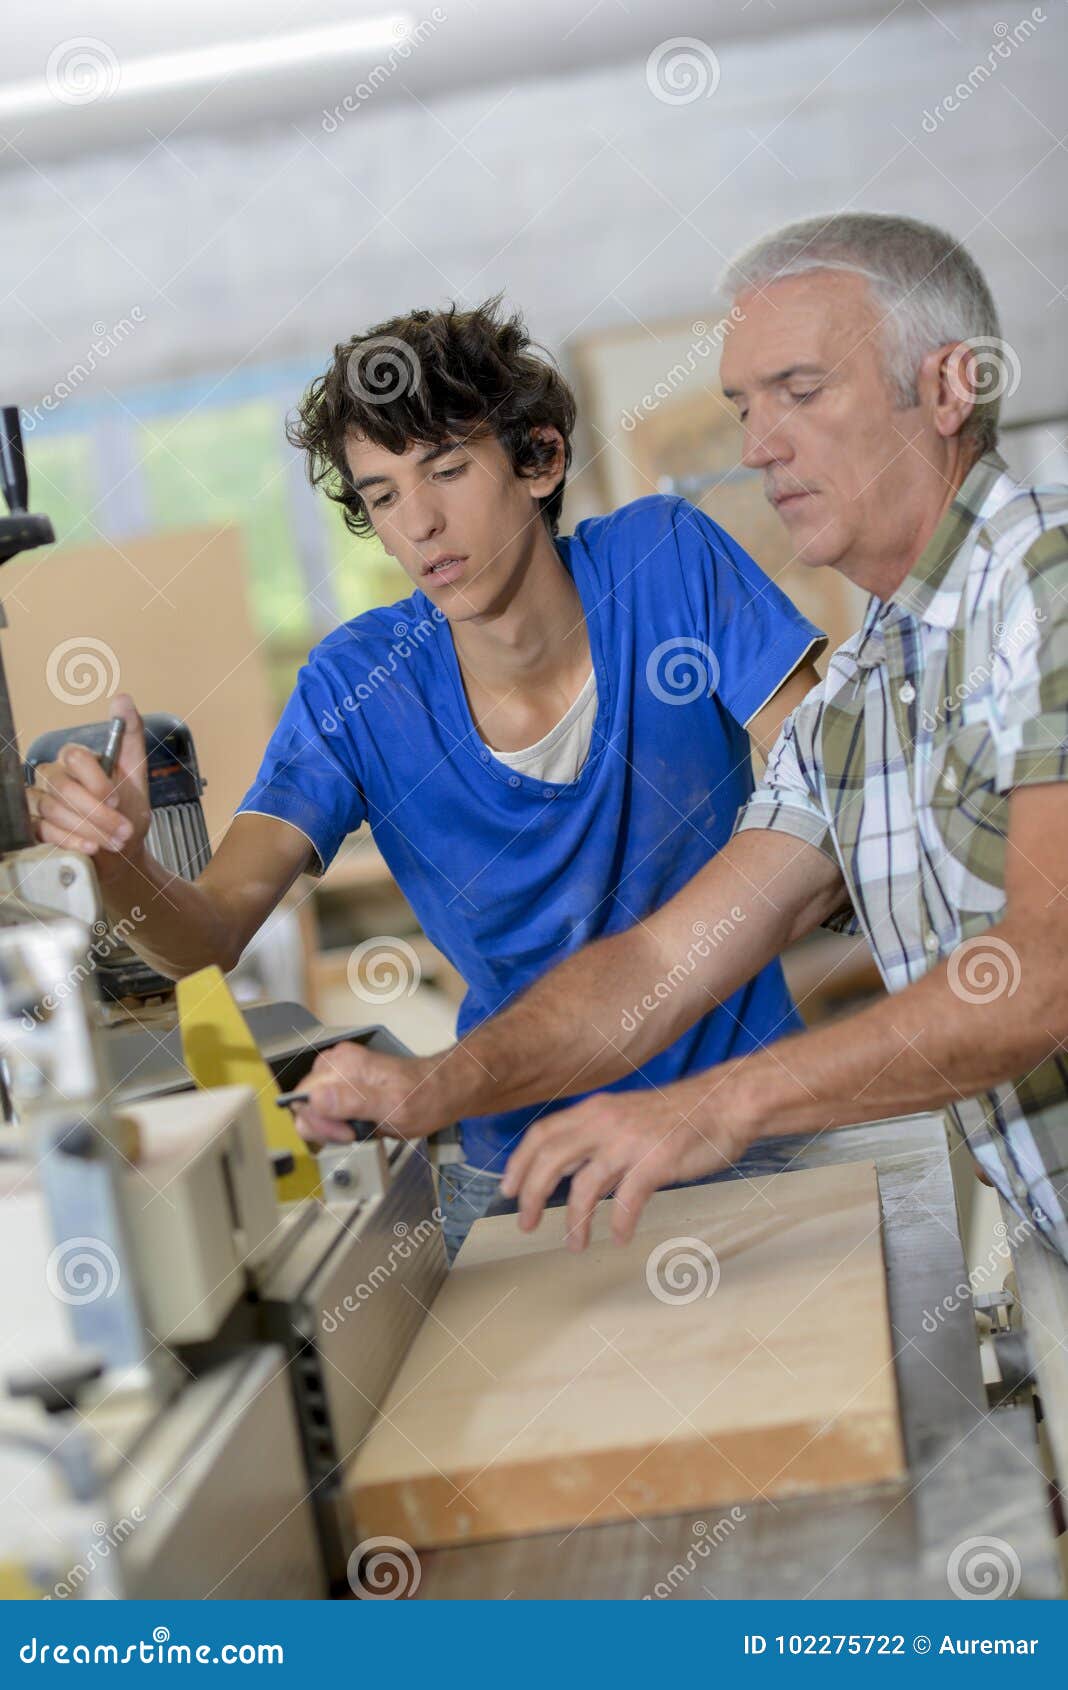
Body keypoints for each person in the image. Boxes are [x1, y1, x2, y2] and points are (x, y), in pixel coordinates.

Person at [291, 214, 1068, 1269]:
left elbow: (1042, 975)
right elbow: (658, 964)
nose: (758, 446)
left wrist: (727, 1101)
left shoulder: (1045, 587)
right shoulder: (868, 687)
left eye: (801, 392)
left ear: (945, 389)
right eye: (746, 407)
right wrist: (440, 1086)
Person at [28, 298, 823, 1259]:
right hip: (525, 1176)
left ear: (539, 459)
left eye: (446, 469)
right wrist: (120, 864)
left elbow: (823, 802)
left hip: (748, 1116)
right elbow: (210, 931)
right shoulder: (361, 687)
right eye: (383, 495)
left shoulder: (664, 562)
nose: (422, 525)